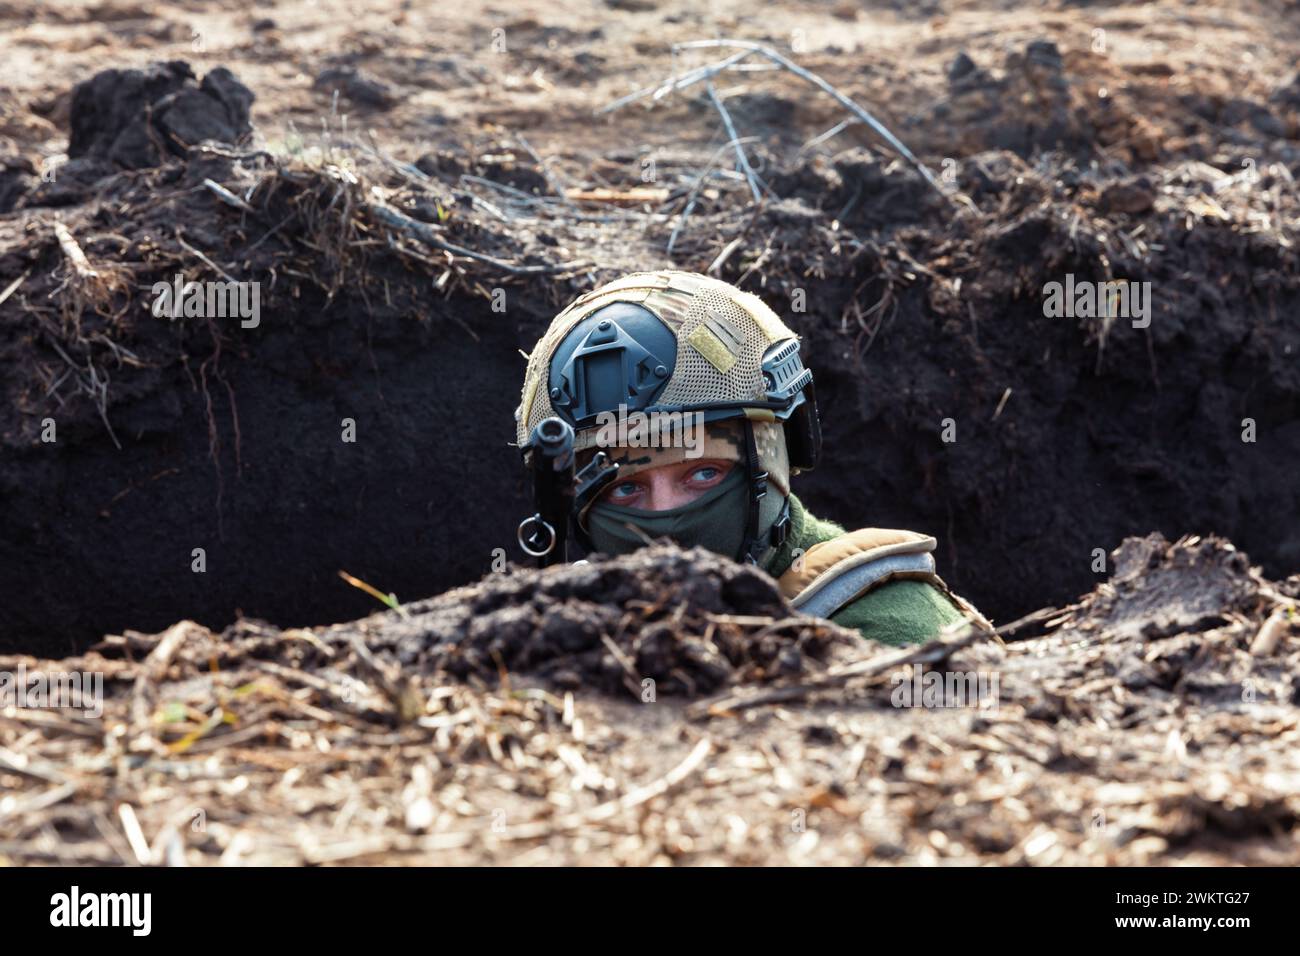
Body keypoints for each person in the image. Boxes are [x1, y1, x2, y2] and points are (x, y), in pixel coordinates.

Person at [514, 270, 986, 646]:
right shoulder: (575, 621)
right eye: (625, 488)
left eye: (702, 473)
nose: (661, 525)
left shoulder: (887, 631)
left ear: (775, 461)